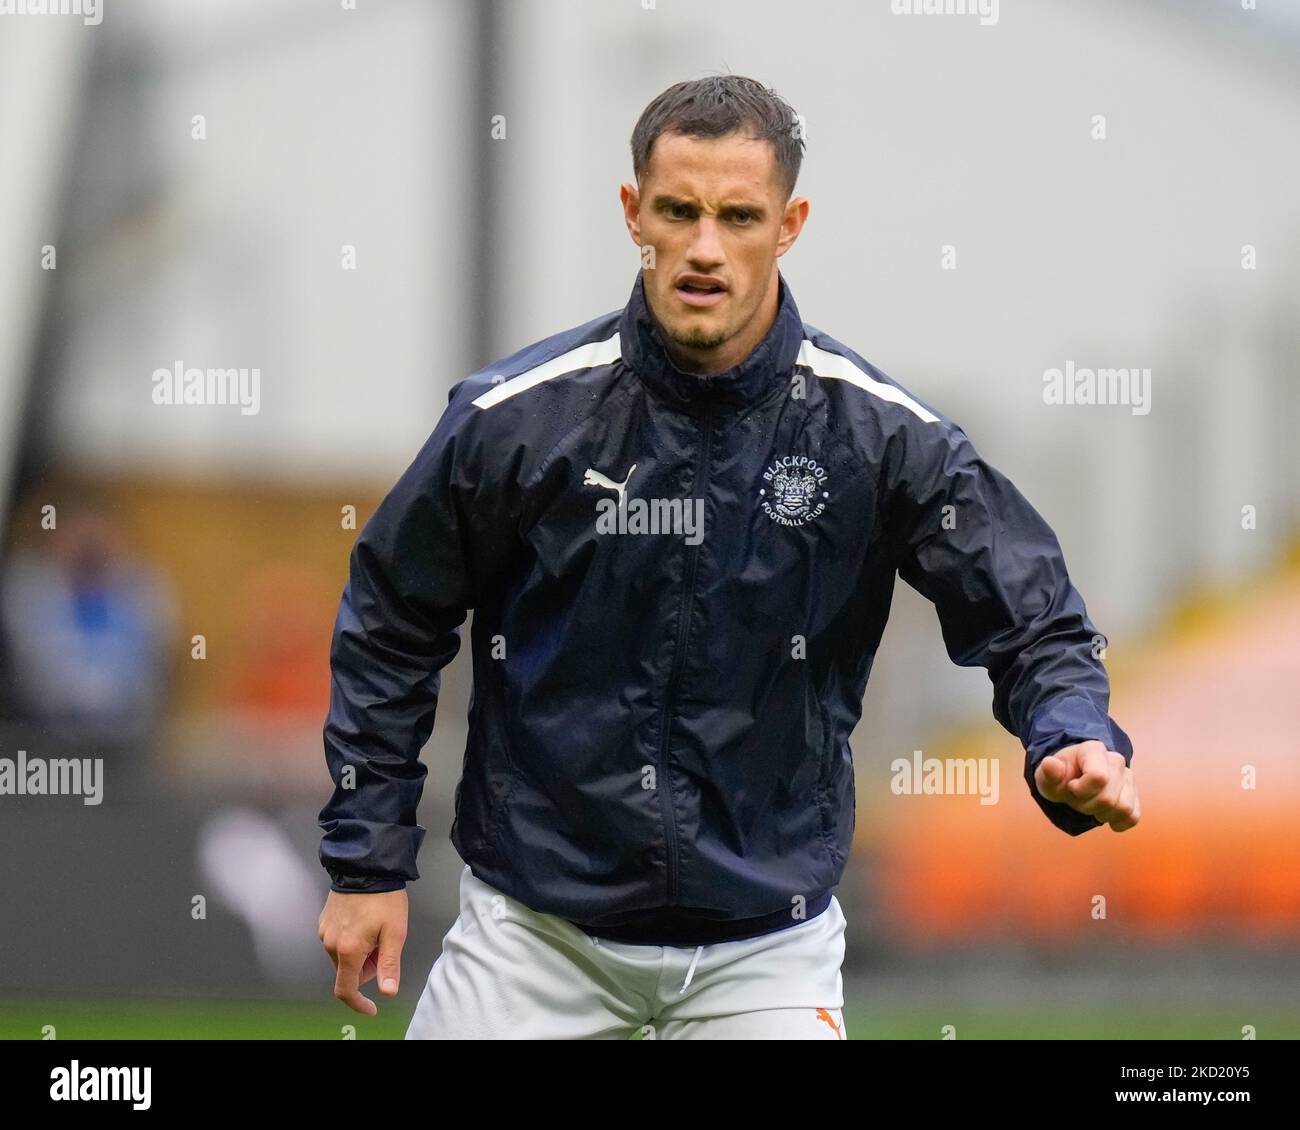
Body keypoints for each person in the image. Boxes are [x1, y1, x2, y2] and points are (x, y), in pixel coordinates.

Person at [316, 75, 1140, 1040]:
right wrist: (367, 862)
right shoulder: (516, 421)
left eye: (739, 217)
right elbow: (390, 620)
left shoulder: (876, 436)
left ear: (788, 225)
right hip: (533, 937)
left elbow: (1030, 613)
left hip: (766, 954)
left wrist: (1073, 728)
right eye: (679, 211)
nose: (706, 247)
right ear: (635, 214)